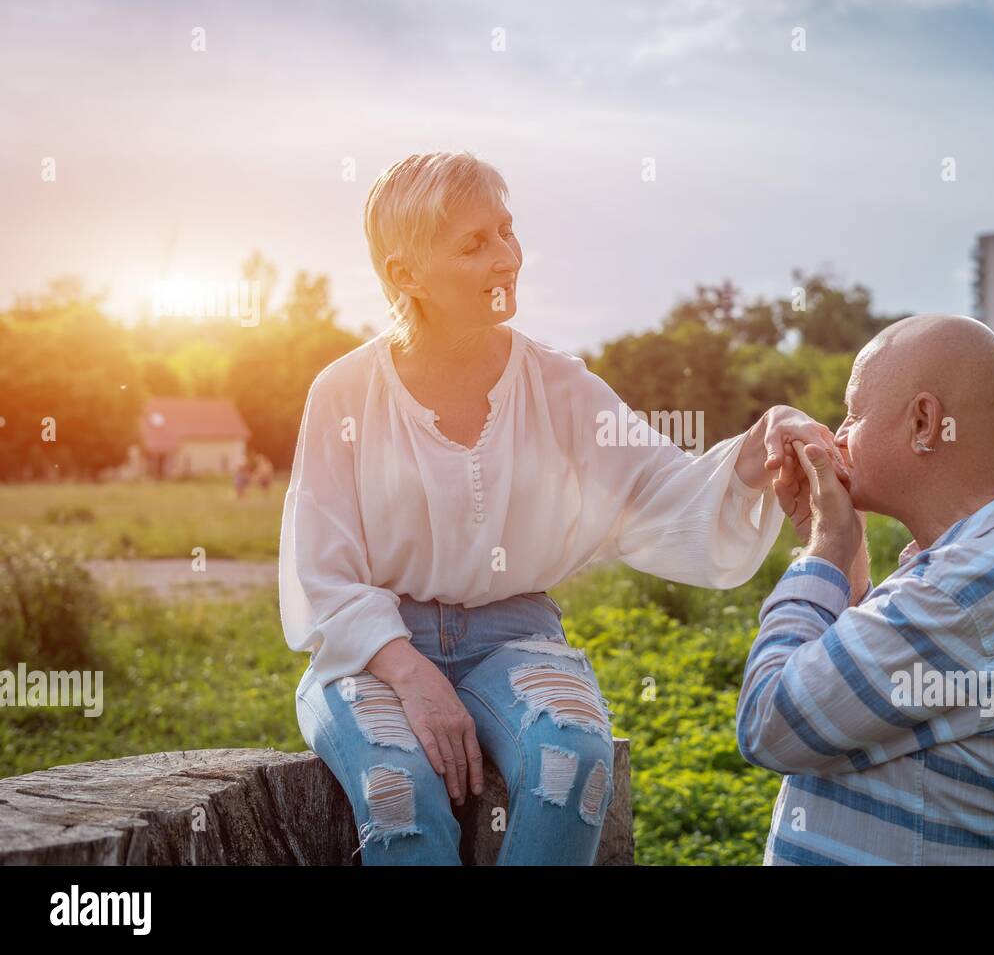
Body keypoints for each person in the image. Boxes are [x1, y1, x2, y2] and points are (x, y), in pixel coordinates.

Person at [281, 151, 843, 865]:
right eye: (473, 243)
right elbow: (319, 574)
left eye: (507, 232)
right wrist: (410, 672)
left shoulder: (559, 385)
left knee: (571, 761)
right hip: (368, 653)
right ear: (404, 274)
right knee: (399, 791)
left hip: (516, 637)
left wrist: (757, 444)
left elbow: (658, 487)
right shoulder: (343, 392)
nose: (506, 258)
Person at [737, 313, 994, 865]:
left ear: (924, 421)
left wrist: (825, 552)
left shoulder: (963, 590)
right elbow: (863, 692)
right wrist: (848, 556)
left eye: (854, 413)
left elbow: (769, 722)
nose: (838, 436)